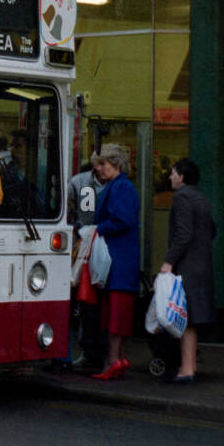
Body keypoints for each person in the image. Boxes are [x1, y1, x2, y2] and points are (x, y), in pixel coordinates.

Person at [160, 157, 215, 382]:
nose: (170, 177)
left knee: (183, 317)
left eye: (173, 173)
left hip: (187, 266)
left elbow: (183, 234)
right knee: (189, 320)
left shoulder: (181, 197)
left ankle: (187, 369)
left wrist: (168, 262)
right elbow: (212, 229)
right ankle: (188, 366)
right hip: (202, 263)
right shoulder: (201, 197)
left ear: (181, 177)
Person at [90, 143, 140, 380]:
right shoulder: (121, 186)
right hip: (122, 258)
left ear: (116, 164)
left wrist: (95, 228)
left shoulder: (120, 187)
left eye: (102, 164)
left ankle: (112, 361)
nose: (98, 169)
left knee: (114, 314)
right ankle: (119, 359)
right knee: (117, 313)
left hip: (118, 260)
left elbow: (122, 220)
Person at [68, 160, 106, 370]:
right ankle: (92, 350)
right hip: (87, 246)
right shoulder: (80, 183)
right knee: (88, 300)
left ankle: (94, 349)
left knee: (92, 301)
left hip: (94, 245)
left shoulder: (112, 185)